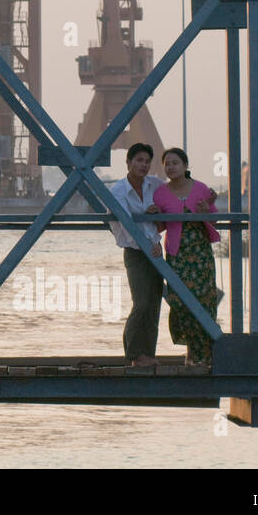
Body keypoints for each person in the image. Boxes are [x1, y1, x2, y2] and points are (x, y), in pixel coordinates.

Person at [152, 148, 221, 366]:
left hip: (200, 253)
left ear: (185, 166)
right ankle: (193, 349)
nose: (171, 167)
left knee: (204, 301)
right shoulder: (160, 193)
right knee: (179, 301)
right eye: (167, 164)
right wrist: (154, 216)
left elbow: (215, 219)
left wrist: (206, 209)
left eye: (175, 163)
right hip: (176, 253)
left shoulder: (200, 189)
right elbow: (159, 227)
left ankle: (202, 355)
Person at [108, 143, 165, 367]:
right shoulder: (118, 191)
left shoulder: (155, 184)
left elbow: (173, 197)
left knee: (153, 304)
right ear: (128, 162)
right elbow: (125, 224)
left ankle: (147, 355)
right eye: (139, 160)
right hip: (135, 251)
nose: (143, 165)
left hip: (155, 250)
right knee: (141, 303)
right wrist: (146, 241)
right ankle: (133, 354)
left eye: (147, 161)